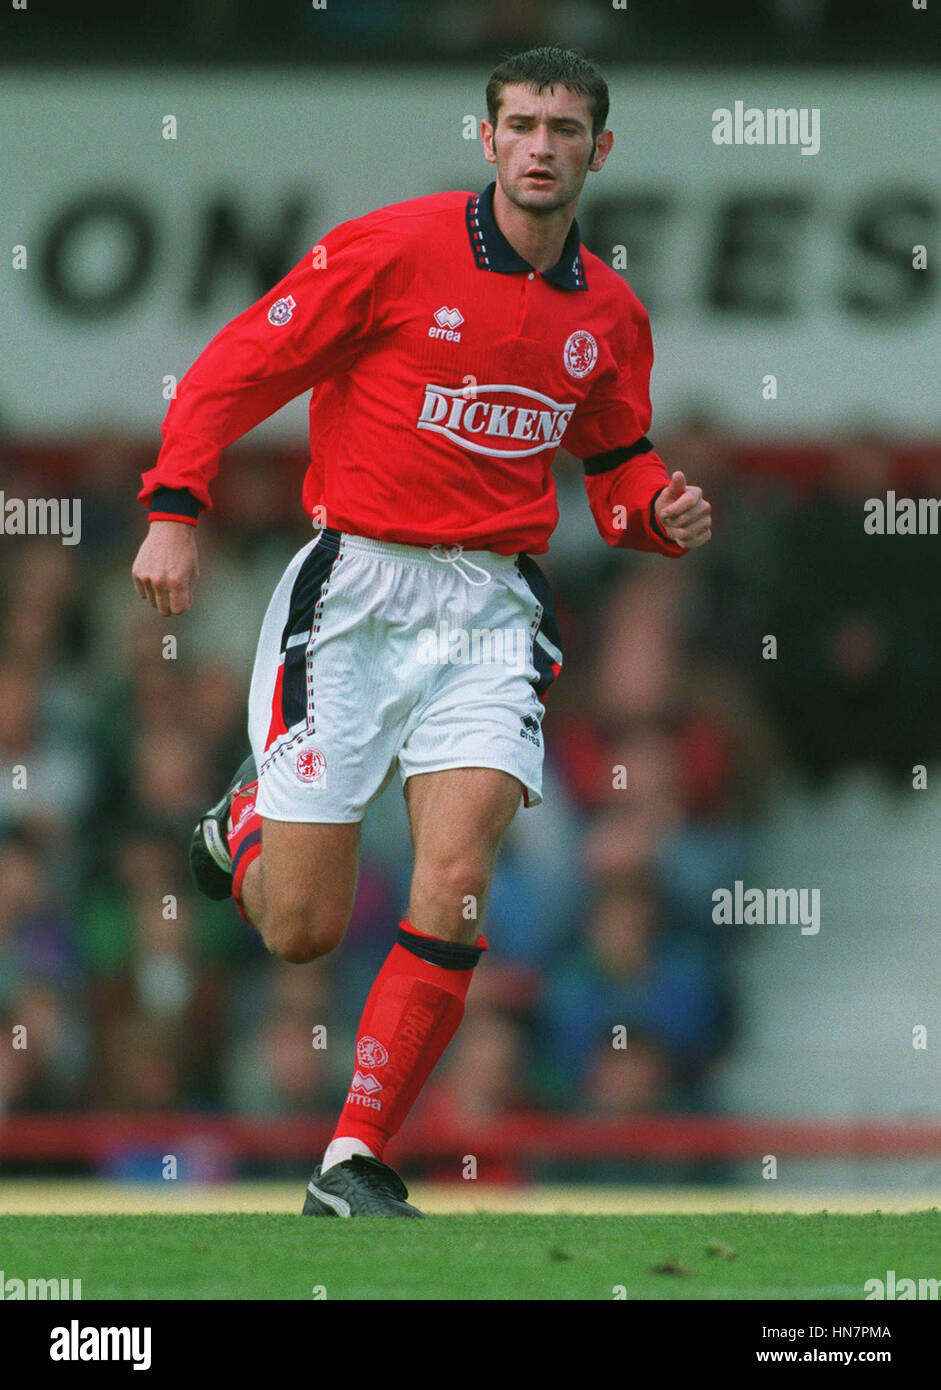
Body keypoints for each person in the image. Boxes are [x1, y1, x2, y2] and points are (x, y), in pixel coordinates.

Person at [131, 45, 712, 1217]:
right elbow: (242, 364)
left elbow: (611, 459)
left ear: (599, 150)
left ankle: (354, 1155)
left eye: (564, 127)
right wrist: (174, 508)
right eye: (520, 124)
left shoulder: (609, 312)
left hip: (492, 607)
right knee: (299, 930)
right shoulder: (391, 249)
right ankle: (243, 817)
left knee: (454, 882)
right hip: (354, 592)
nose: (541, 145)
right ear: (486, 138)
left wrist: (654, 506)